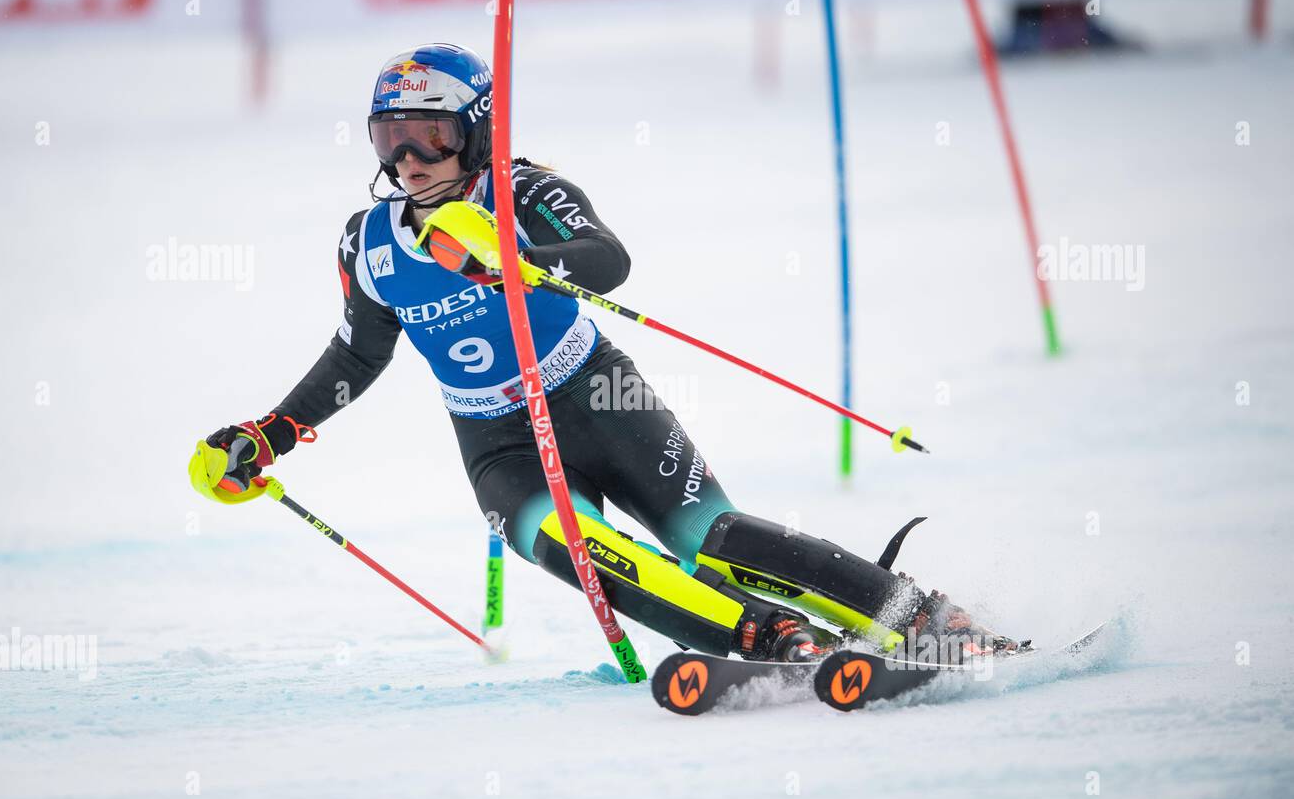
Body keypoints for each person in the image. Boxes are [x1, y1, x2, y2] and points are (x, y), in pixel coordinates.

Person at [188, 43, 1016, 663]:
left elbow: (606, 258)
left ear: (475, 135)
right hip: (497, 441)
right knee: (581, 552)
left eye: (430, 137)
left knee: (709, 540)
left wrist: (510, 262)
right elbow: (354, 359)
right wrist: (268, 435)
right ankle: (779, 644)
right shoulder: (366, 243)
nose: (408, 162)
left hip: (595, 395)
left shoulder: (520, 191)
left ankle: (921, 619)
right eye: (390, 139)